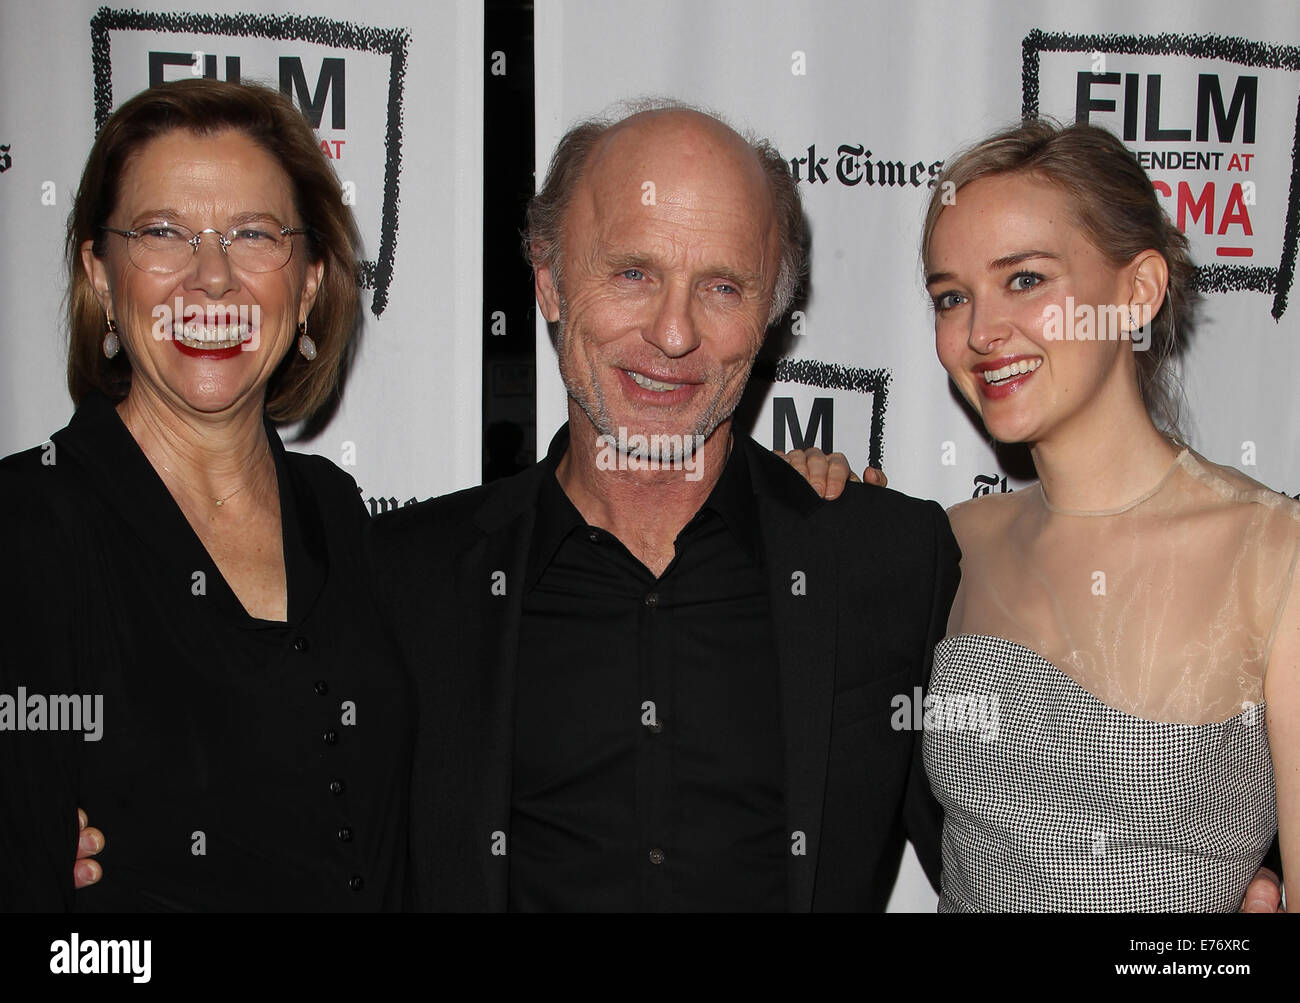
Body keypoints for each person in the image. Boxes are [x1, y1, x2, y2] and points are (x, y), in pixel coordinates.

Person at [367, 102, 958, 911]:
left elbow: (1004, 859)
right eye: (633, 272)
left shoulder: (887, 561)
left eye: (721, 286)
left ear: (771, 315)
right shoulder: (409, 580)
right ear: (549, 279)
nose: (673, 333)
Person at [0, 78, 412, 911]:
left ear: (308, 282)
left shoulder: (337, 514)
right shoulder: (25, 526)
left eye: (254, 234)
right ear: (101, 275)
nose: (212, 278)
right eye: (162, 233)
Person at [912, 119, 1298, 911]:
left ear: (1138, 292)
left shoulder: (1273, 554)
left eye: (1024, 279)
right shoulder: (946, 542)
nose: (981, 332)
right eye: (952, 296)